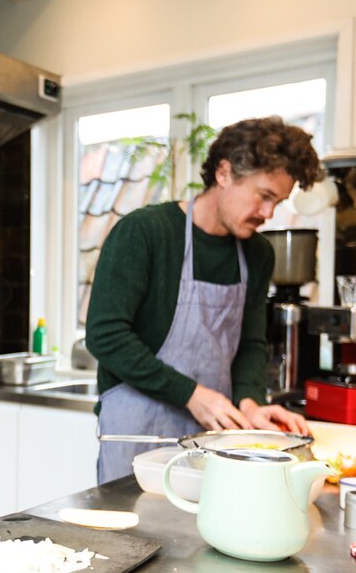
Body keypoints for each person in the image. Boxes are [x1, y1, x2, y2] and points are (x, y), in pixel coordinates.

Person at [88, 116, 324, 483]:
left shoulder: (257, 254)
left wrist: (250, 403)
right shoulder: (145, 233)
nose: (268, 214)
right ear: (225, 173)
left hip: (215, 447)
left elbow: (249, 344)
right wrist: (192, 395)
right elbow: (106, 335)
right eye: (263, 196)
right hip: (137, 442)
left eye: (277, 202)